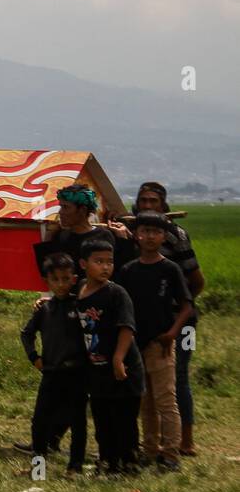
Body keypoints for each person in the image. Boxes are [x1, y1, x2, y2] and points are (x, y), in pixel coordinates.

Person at [134, 182, 205, 456]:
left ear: (164, 206)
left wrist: (176, 307)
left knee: (179, 377)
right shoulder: (134, 234)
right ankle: (154, 444)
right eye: (143, 201)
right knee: (149, 386)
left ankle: (185, 441)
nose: (148, 206)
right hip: (149, 326)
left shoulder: (176, 235)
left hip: (182, 323)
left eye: (153, 201)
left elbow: (197, 281)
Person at [120, 212, 192, 471]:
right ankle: (150, 451)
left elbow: (186, 306)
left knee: (166, 401)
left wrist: (172, 333)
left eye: (156, 231)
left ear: (164, 236)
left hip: (161, 345)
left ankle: (171, 454)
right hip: (136, 346)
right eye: (145, 231)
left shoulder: (170, 269)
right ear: (137, 236)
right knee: (145, 402)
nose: (150, 236)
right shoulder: (129, 270)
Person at [76, 237, 144, 475]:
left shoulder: (116, 293)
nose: (106, 267)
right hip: (97, 369)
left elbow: (127, 327)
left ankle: (129, 463)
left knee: (124, 418)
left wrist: (118, 358)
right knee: (102, 417)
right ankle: (107, 461)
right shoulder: (80, 291)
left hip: (124, 368)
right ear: (84, 264)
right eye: (99, 261)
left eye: (109, 262)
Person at [20, 252, 87, 476]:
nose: (61, 284)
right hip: (51, 372)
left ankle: (75, 466)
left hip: (77, 373)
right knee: (40, 420)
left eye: (66, 279)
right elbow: (26, 334)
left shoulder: (81, 307)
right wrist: (34, 358)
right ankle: (38, 467)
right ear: (47, 281)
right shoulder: (44, 310)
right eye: (56, 280)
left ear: (74, 279)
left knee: (78, 421)